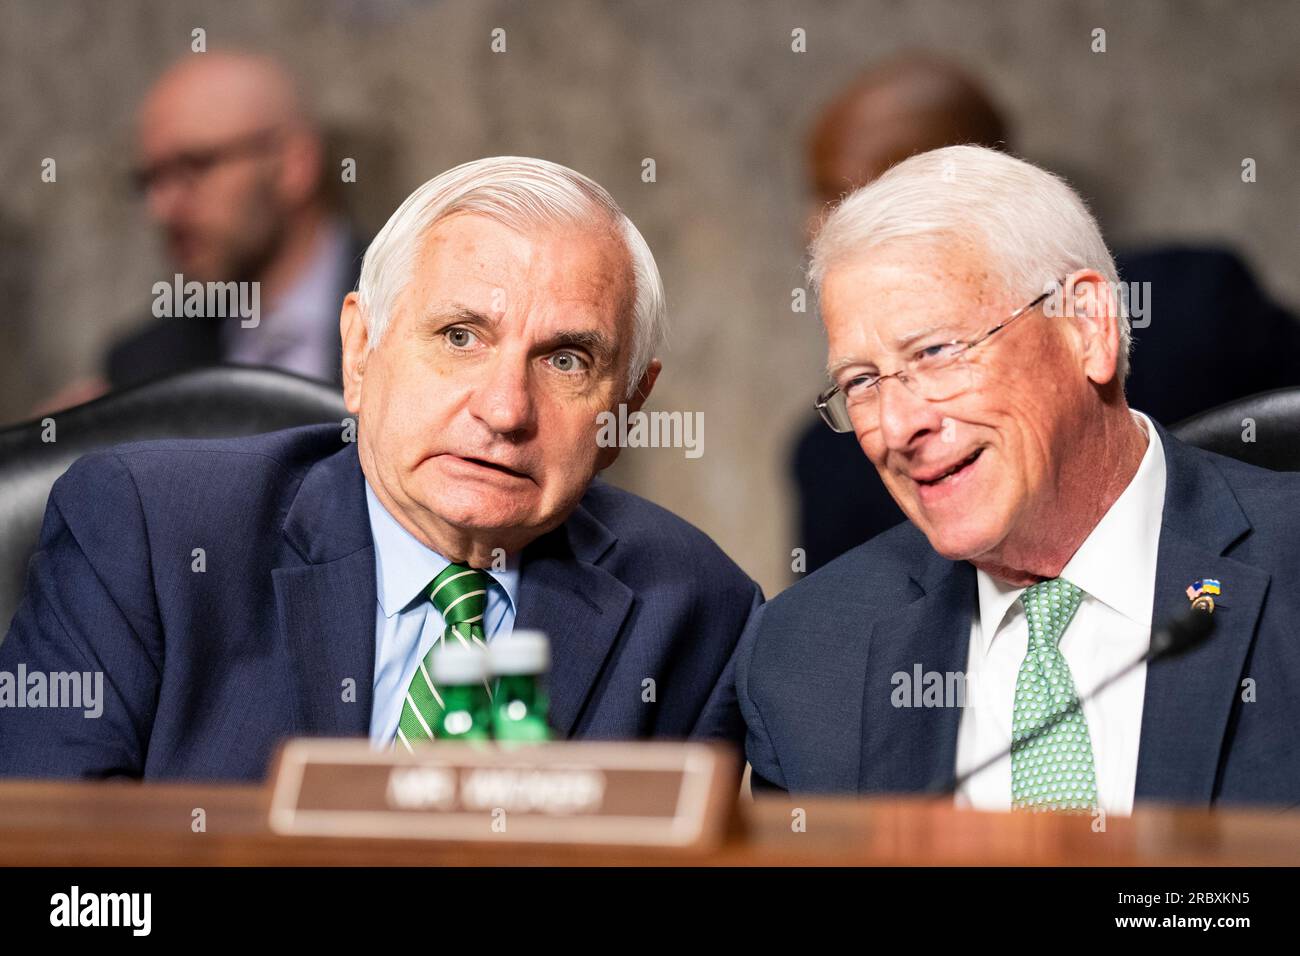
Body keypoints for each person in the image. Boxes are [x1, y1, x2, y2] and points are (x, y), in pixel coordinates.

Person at [0, 157, 759, 781]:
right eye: (461, 336)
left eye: (566, 360)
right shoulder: (148, 533)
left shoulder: (697, 610)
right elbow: (57, 876)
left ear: (628, 402)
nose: (504, 411)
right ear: (360, 351)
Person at [738, 145, 1300, 811]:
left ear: (1087, 328)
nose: (896, 426)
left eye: (936, 352)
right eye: (860, 382)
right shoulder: (803, 656)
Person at [793, 55, 1300, 572]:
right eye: (860, 381)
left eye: (938, 351)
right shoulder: (830, 462)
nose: (812, 226)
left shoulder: (1200, 305)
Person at [37, 51, 363, 413]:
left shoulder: (410, 312)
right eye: (150, 180)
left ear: (294, 165)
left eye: (194, 166)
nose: (161, 209)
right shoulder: (146, 368)